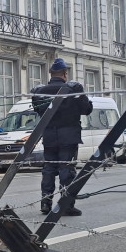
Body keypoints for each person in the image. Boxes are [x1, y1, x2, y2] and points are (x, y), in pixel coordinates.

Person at [31, 58, 93, 216]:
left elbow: (38, 110)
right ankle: (66, 204)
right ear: (65, 74)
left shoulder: (41, 91)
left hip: (49, 136)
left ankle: (46, 202)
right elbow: (87, 110)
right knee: (67, 169)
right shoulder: (72, 89)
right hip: (69, 136)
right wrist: (80, 94)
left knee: (49, 169)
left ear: (51, 74)